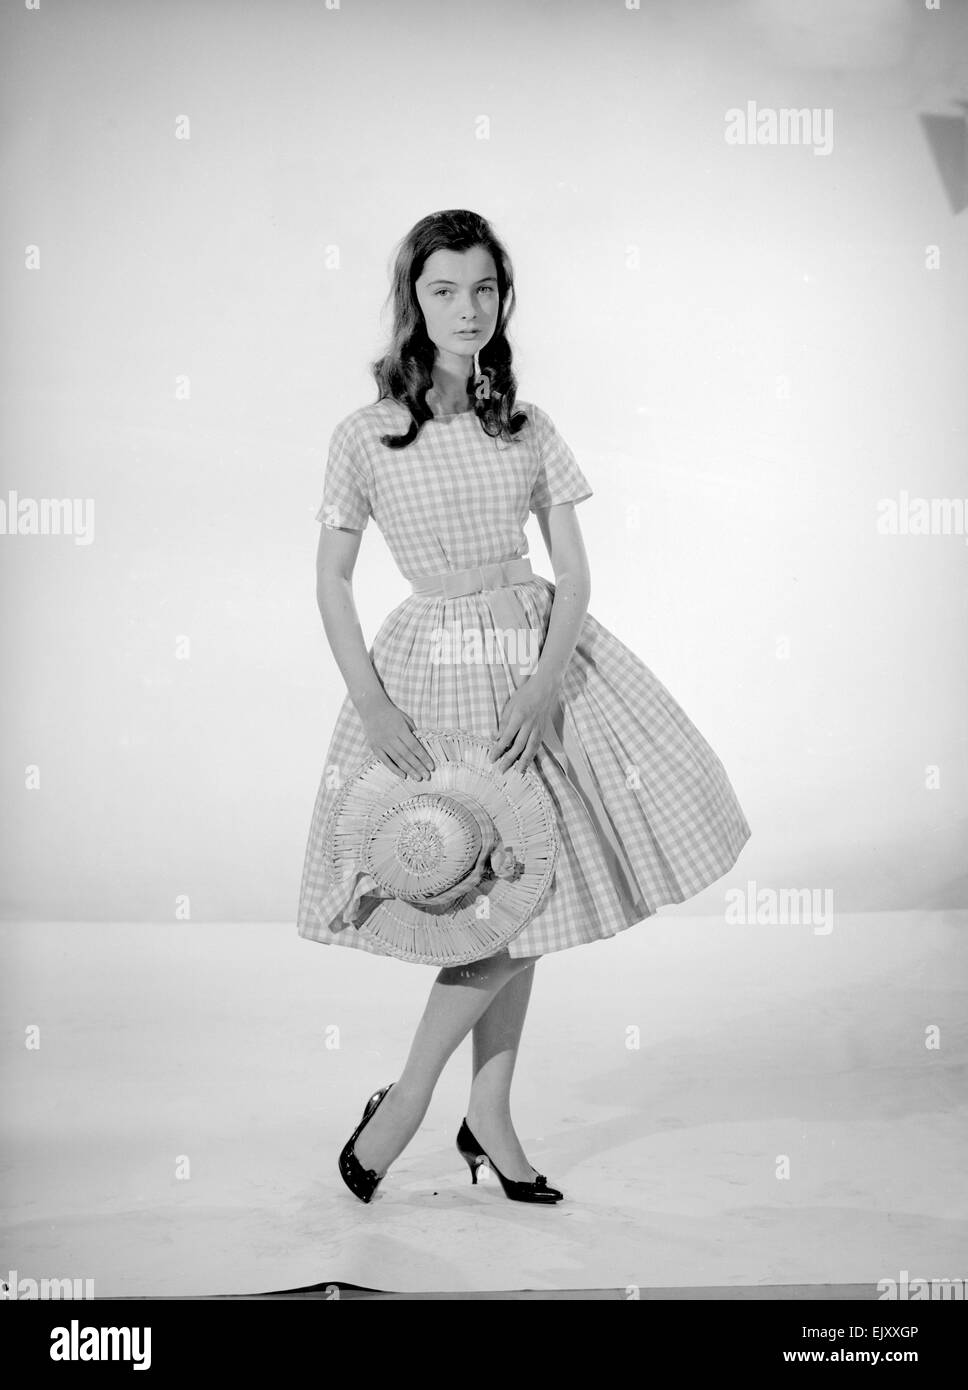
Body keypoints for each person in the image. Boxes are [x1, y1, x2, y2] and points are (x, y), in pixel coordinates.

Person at [297, 209, 751, 1204]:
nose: (466, 308)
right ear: (411, 302)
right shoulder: (363, 435)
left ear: (504, 299)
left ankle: (474, 1111)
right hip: (430, 671)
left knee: (526, 898)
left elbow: (574, 571)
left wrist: (545, 682)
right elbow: (331, 580)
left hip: (538, 665)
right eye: (443, 290)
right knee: (487, 898)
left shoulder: (525, 423)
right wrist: (369, 704)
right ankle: (416, 1102)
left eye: (483, 289)